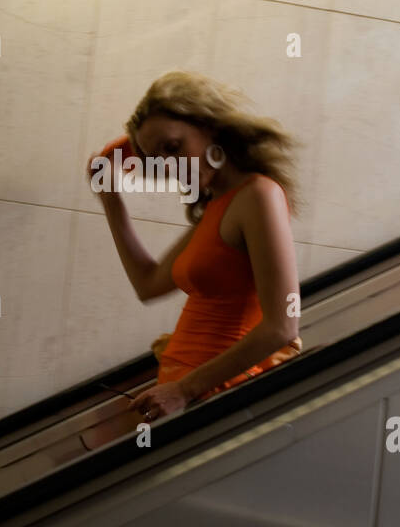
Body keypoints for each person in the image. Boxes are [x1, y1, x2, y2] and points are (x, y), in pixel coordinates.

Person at [80, 70, 303, 449]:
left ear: (212, 128)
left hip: (215, 400)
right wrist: (111, 200)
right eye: (155, 159)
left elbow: (282, 326)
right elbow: (148, 285)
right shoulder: (218, 205)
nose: (168, 166)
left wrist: (183, 390)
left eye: (173, 147)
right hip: (182, 398)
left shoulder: (258, 196)